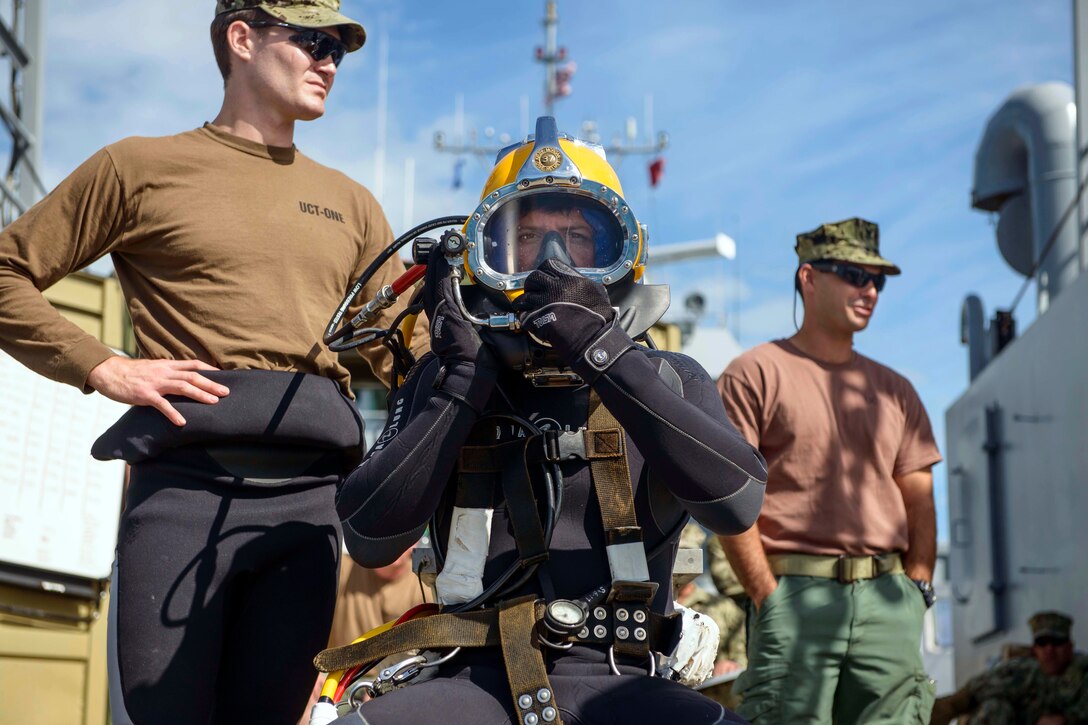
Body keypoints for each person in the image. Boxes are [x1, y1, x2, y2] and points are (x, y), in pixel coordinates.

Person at [0, 2, 425, 722]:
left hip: (308, 510)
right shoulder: (139, 168)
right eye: (314, 41)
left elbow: (407, 352)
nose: (328, 62)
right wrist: (104, 366)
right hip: (182, 498)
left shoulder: (353, 205)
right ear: (243, 37)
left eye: (338, 52)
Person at [317, 116, 768, 724]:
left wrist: (605, 355)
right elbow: (370, 540)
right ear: (486, 257)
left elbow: (736, 501)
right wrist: (460, 386)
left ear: (618, 252)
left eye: (578, 238)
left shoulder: (669, 378)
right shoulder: (446, 378)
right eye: (527, 238)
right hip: (470, 676)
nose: (552, 259)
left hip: (625, 676)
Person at [717, 218, 942, 724]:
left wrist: (918, 586)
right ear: (809, 277)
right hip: (795, 597)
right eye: (852, 274)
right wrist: (765, 595)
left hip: (889, 599)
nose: (869, 290)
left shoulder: (896, 390)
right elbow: (729, 496)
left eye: (877, 280)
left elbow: (920, 498)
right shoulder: (754, 373)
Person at [931, 611, 1088, 725]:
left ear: (1070, 647)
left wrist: (1066, 720)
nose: (1049, 649)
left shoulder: (1083, 674)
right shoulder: (1020, 673)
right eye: (1042, 643)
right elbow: (965, 696)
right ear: (1034, 650)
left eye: (1057, 642)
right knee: (995, 708)